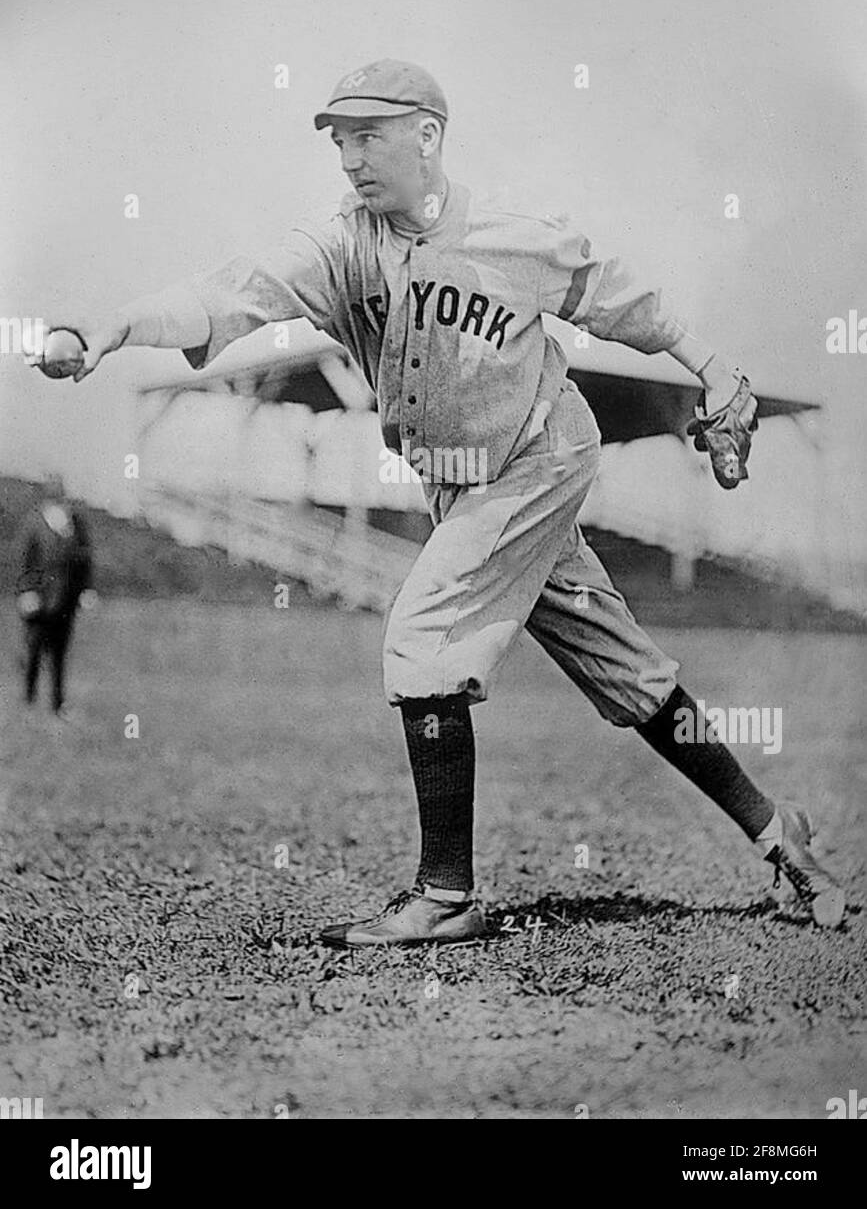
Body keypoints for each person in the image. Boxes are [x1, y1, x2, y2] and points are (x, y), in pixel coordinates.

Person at [41, 59, 845, 939]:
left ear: (427, 135)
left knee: (424, 637)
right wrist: (111, 327)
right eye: (339, 140)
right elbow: (229, 293)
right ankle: (779, 835)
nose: (349, 158)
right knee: (626, 671)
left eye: (369, 135)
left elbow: (628, 305)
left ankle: (445, 896)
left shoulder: (511, 238)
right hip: (465, 485)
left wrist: (715, 372)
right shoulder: (343, 246)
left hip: (540, 456)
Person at [17, 475, 95, 716]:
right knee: (34, 651)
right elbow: (26, 561)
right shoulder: (34, 524)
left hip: (66, 600)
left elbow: (85, 560)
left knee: (60, 653)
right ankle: (29, 699)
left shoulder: (75, 524)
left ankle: (58, 703)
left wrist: (86, 590)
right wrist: (27, 592)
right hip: (38, 600)